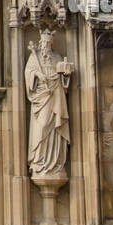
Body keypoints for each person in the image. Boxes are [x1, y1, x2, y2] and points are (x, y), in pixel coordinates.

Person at [24, 29, 72, 177]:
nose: (45, 46)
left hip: (56, 95)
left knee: (56, 128)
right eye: (44, 43)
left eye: (48, 43)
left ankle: (56, 163)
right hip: (42, 97)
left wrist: (66, 75)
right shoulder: (34, 57)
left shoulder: (57, 57)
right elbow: (29, 73)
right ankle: (40, 161)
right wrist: (37, 74)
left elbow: (64, 83)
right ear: (40, 43)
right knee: (43, 125)